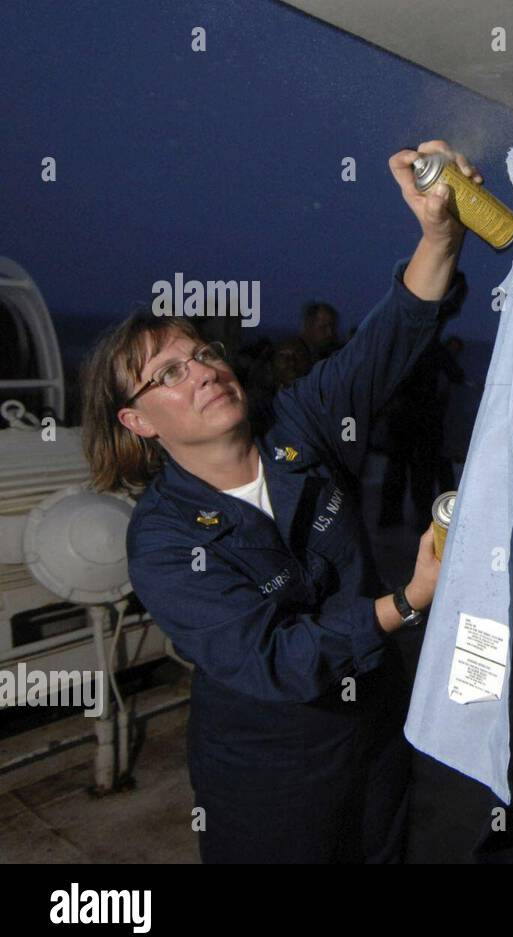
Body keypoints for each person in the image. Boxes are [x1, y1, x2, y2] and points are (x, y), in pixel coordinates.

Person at [80, 139, 479, 863]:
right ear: (136, 421)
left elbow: (387, 341)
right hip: (271, 768)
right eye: (169, 373)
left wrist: (439, 233)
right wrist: (409, 599)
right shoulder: (163, 542)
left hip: (376, 728)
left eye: (202, 352)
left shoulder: (300, 425)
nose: (201, 371)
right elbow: (279, 659)